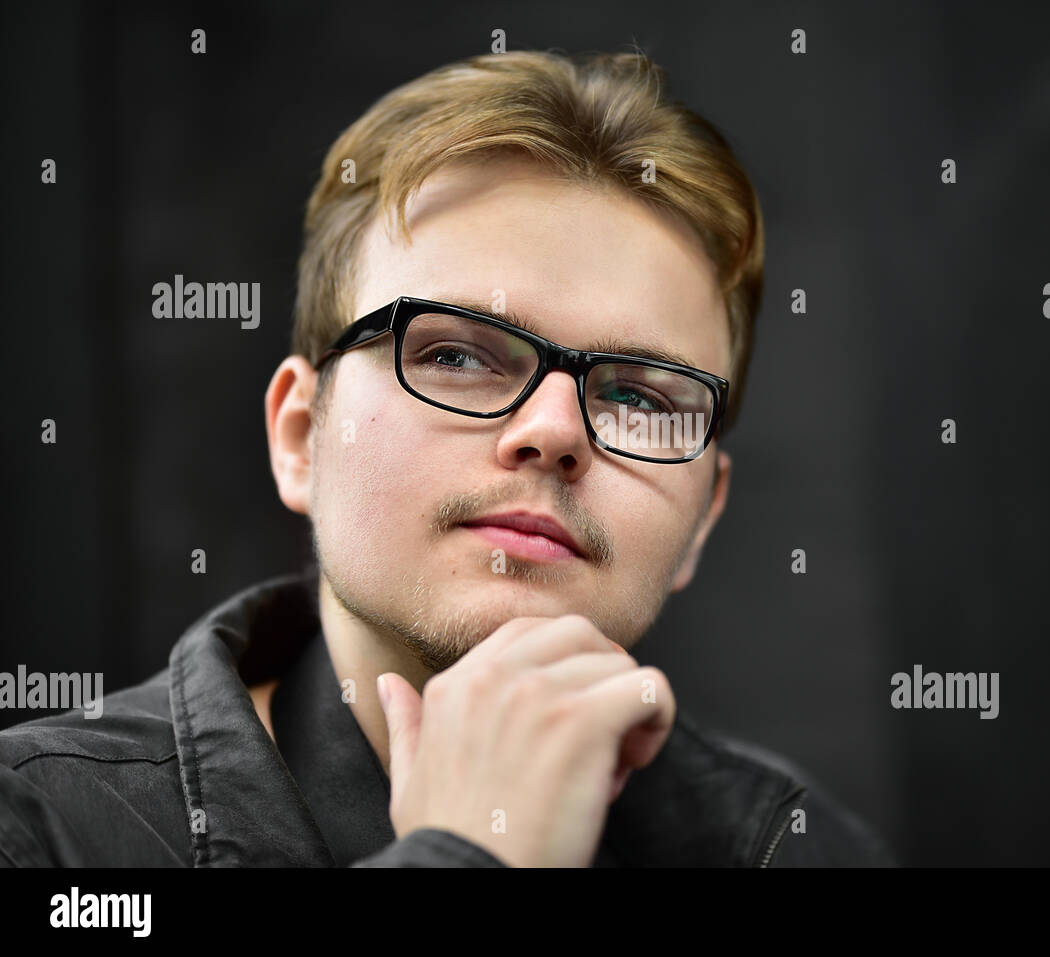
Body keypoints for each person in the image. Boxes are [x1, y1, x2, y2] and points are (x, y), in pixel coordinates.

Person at [0, 49, 893, 868]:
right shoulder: (40, 831)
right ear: (301, 437)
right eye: (455, 355)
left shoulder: (801, 850)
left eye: (640, 396)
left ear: (703, 517)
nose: (555, 430)